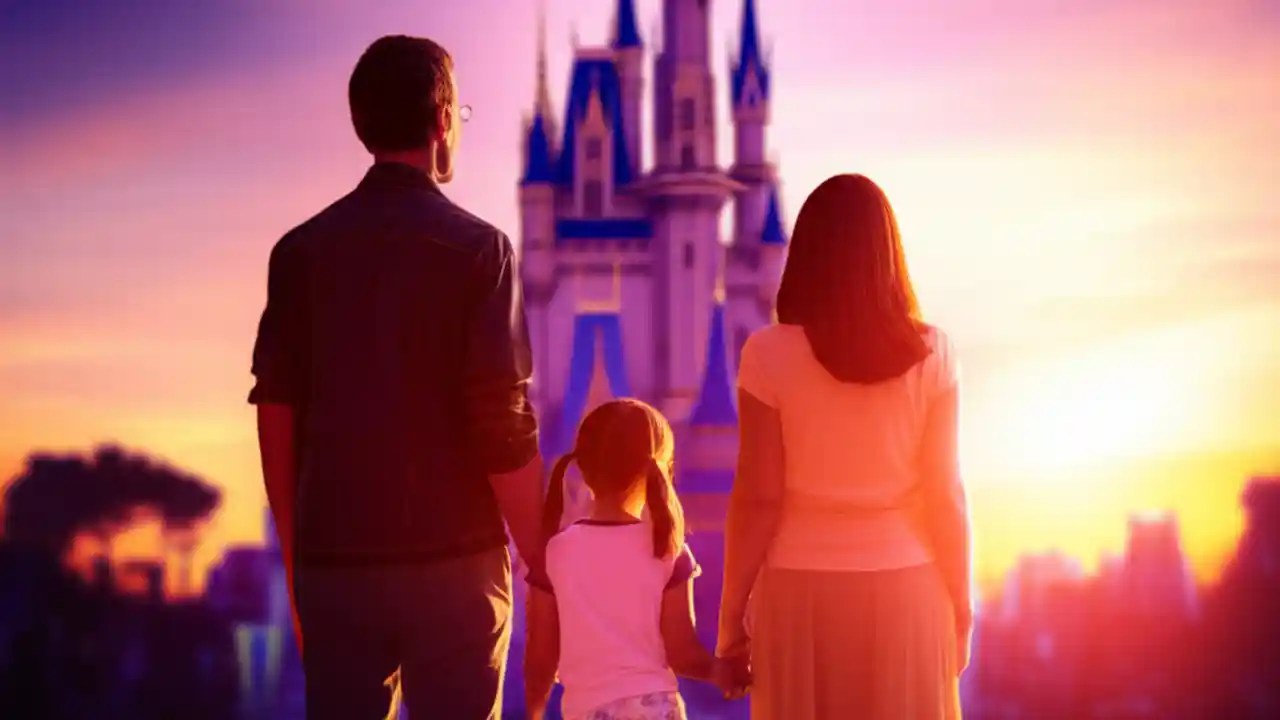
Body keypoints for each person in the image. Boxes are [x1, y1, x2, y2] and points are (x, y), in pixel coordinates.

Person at [247, 35, 544, 720]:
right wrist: (540, 556)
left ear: (362, 123)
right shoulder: (482, 251)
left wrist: (297, 564)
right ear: (442, 120)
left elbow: (276, 411)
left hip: (336, 563)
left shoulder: (299, 253)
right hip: (456, 563)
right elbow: (501, 418)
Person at [716, 174, 972, 719]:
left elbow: (759, 496)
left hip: (798, 593)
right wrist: (962, 607)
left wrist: (730, 616)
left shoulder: (767, 354)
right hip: (909, 592)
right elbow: (945, 493)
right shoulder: (935, 352)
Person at [524, 399, 740, 720]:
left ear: (583, 468)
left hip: (588, 711)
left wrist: (534, 713)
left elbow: (541, 658)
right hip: (656, 709)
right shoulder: (666, 549)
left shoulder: (555, 553)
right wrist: (719, 670)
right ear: (657, 468)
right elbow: (682, 654)